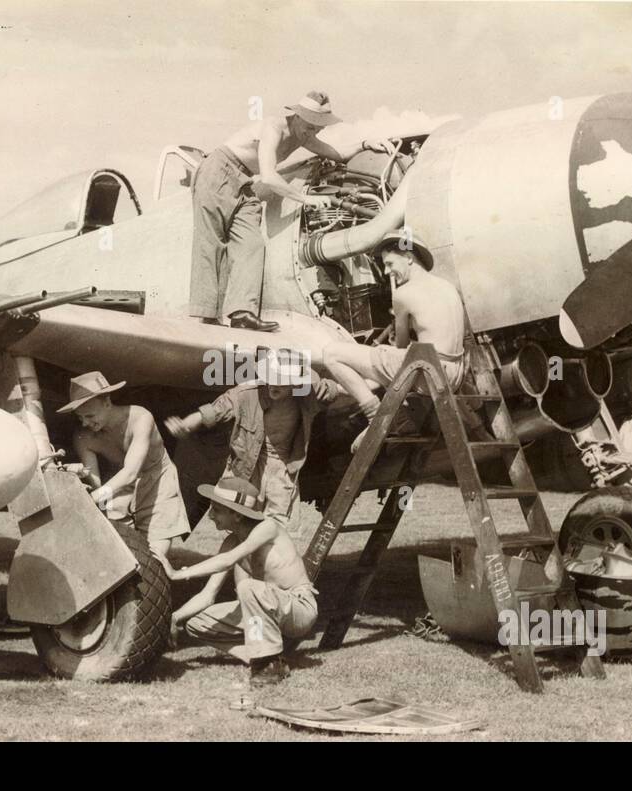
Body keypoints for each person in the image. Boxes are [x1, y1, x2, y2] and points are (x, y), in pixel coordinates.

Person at [190, 91, 390, 332]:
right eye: (309, 126)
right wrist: (305, 199)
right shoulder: (273, 127)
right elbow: (268, 176)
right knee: (212, 242)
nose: (312, 132)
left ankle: (242, 314)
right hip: (219, 169)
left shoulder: (303, 136)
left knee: (252, 244)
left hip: (244, 179)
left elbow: (336, 153)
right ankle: (207, 318)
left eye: (318, 128)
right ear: (296, 116)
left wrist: (365, 144)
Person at [323, 231, 468, 450]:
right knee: (383, 364)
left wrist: (393, 339)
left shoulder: (403, 294)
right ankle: (388, 410)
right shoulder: (448, 287)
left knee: (331, 353)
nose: (386, 272)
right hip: (454, 373)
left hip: (429, 373)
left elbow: (400, 345)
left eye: (389, 264)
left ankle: (375, 417)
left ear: (408, 257)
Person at [168, 477, 317, 687]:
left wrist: (178, 574)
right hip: (267, 608)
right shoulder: (231, 541)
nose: (210, 515)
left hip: (298, 608)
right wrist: (174, 617)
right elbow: (208, 595)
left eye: (217, 510)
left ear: (236, 515)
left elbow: (227, 560)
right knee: (196, 623)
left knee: (248, 587)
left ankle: (268, 663)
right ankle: (266, 656)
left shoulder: (268, 527)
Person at [164, 348, 337, 525]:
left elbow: (335, 389)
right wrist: (185, 425)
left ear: (295, 383)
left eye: (281, 380)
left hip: (281, 468)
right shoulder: (246, 393)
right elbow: (212, 411)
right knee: (238, 523)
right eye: (271, 377)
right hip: (244, 467)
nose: (273, 385)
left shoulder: (307, 395)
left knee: (278, 525)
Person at [61, 371, 191, 564]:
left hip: (157, 481)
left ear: (107, 402)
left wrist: (92, 499)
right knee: (117, 554)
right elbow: (97, 485)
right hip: (117, 486)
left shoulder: (140, 417)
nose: (85, 422)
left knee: (154, 559)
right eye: (80, 417)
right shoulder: (83, 437)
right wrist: (81, 477)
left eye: (90, 415)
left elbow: (130, 473)